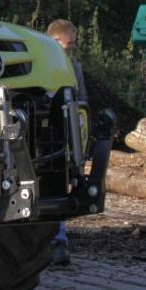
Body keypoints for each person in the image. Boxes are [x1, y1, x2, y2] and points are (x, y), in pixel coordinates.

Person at [46, 19, 84, 267]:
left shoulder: (74, 68)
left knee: (62, 183)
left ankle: (59, 240)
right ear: (54, 41)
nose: (72, 49)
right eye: (69, 44)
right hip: (44, 136)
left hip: (65, 136)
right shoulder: (37, 66)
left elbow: (81, 101)